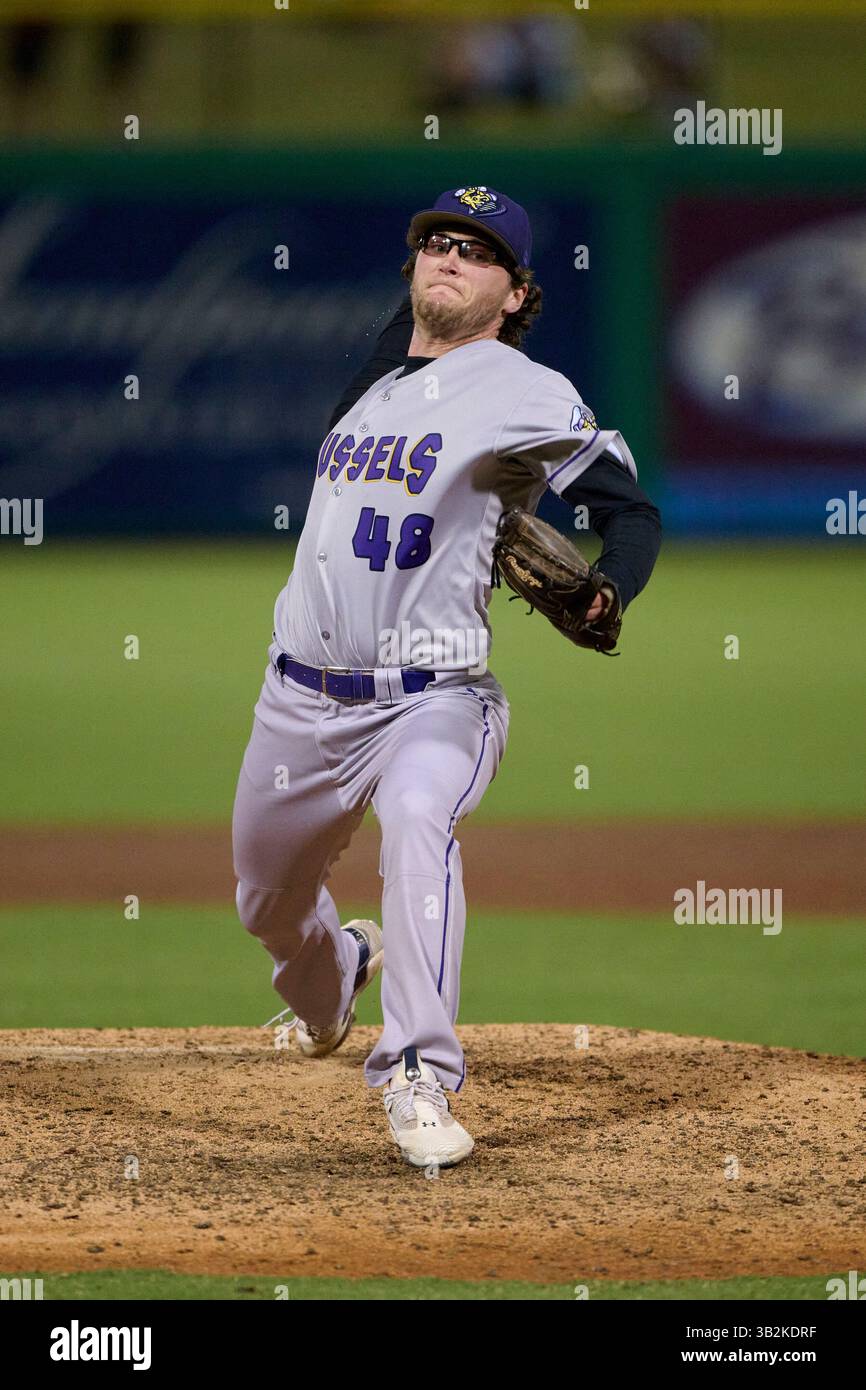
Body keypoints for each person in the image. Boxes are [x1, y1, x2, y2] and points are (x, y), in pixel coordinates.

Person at [232, 185, 661, 1169]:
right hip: (294, 700)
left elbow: (625, 509)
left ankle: (418, 1071)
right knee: (263, 905)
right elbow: (413, 325)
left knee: (419, 816)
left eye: (477, 251)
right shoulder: (372, 391)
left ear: (514, 292)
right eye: (436, 243)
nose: (450, 259)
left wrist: (610, 589)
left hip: (432, 701)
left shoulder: (525, 390)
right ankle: (337, 972)